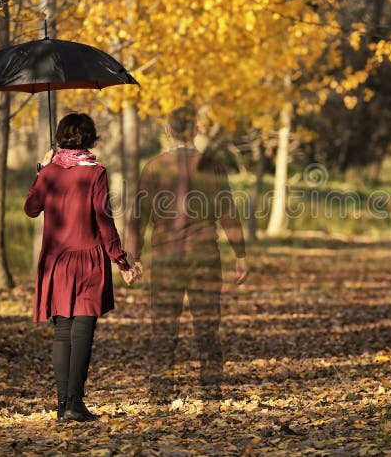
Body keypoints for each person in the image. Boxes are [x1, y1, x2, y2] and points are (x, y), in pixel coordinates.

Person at [125, 105, 248, 405]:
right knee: (208, 327)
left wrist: (133, 255)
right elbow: (228, 212)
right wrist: (240, 254)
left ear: (168, 132)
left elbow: (138, 216)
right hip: (205, 257)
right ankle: (211, 396)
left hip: (167, 260)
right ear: (195, 131)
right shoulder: (213, 166)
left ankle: (160, 398)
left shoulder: (154, 167)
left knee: (164, 328)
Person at [24, 113, 141, 422]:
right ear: (90, 139)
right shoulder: (96, 172)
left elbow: (31, 208)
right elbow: (104, 221)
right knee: (82, 332)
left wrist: (41, 171)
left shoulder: (49, 172)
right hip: (88, 261)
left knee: (63, 332)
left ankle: (64, 406)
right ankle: (74, 403)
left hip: (56, 262)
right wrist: (121, 261)